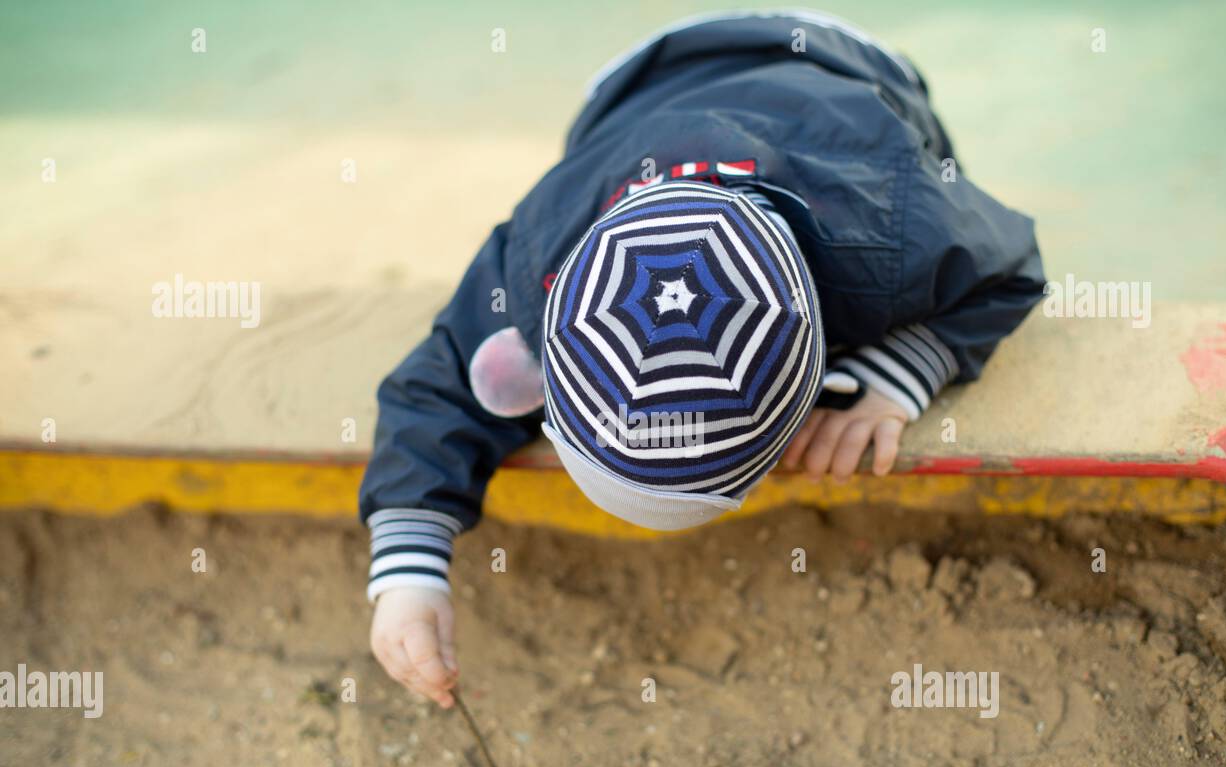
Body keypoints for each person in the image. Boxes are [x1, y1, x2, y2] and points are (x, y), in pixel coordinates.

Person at [360, 12, 1045, 706]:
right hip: (636, 87)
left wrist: (896, 376)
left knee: (934, 166)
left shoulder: (892, 229)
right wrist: (408, 572)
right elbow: (436, 387)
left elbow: (1011, 262)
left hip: (846, 72)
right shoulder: (539, 253)